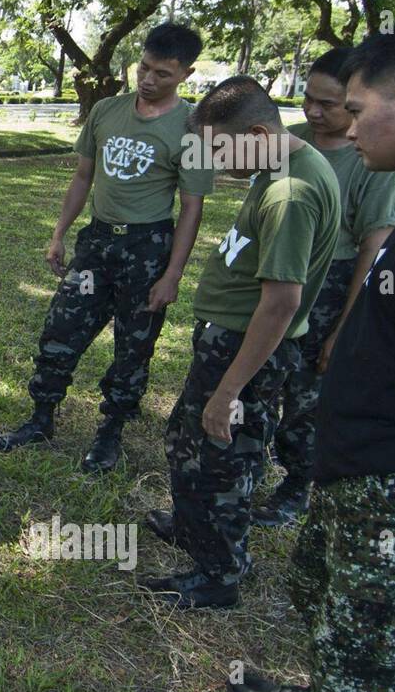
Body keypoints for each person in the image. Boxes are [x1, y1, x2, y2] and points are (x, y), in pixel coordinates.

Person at [229, 19, 395, 692]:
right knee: (344, 621)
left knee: (393, 670)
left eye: (354, 109)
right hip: (359, 477)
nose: (343, 127)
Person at [141, 77, 340, 609]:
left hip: (242, 349)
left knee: (223, 458)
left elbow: (281, 303)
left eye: (222, 150)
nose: (219, 164)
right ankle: (192, 527)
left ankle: (219, 574)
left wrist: (229, 391)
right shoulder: (278, 162)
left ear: (255, 132)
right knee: (189, 440)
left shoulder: (290, 193)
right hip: (225, 339)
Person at [0, 24, 214, 473]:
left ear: (186, 74)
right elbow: (82, 177)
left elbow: (192, 208)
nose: (149, 80)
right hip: (96, 242)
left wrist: (172, 274)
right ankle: (40, 419)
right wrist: (59, 232)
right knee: (61, 329)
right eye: (145, 68)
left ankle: (110, 432)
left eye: (163, 75)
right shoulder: (107, 111)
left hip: (148, 246)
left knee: (133, 349)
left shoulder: (193, 131)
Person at [255, 47, 395, 526]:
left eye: (331, 104)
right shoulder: (292, 143)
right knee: (264, 375)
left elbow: (373, 249)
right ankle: (251, 464)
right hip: (280, 271)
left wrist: (344, 325)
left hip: (333, 283)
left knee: (305, 394)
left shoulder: (375, 162)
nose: (315, 112)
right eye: (308, 99)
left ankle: (299, 482)